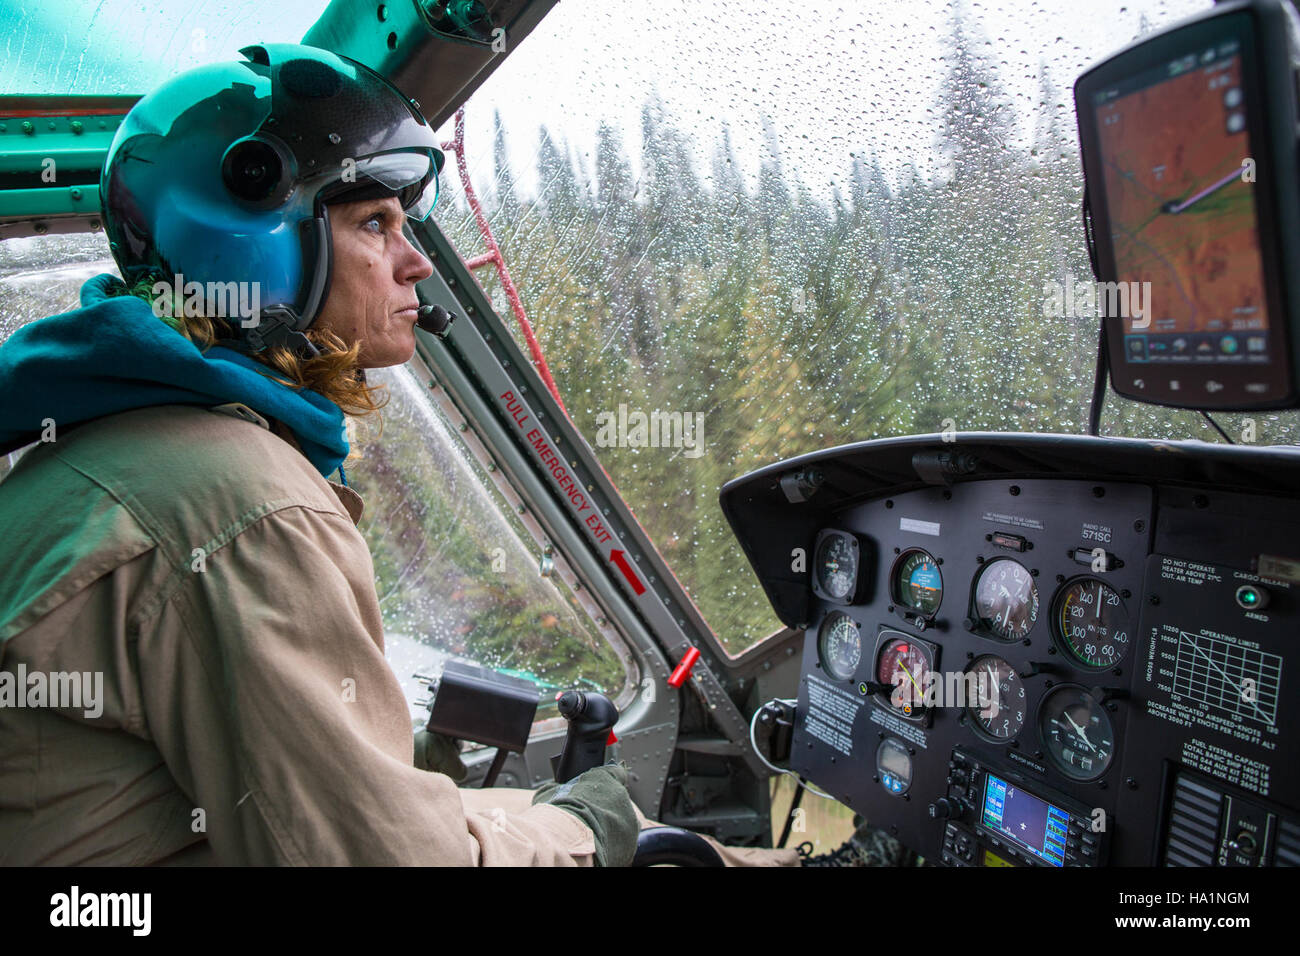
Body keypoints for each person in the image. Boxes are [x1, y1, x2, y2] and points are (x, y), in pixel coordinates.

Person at [0, 43, 802, 867]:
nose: (416, 259)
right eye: (375, 223)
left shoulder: (111, 445)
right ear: (253, 251)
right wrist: (587, 832)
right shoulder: (242, 505)